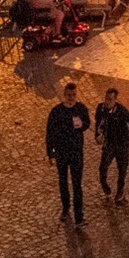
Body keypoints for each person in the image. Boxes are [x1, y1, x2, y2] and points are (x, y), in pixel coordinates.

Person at [46, 81, 91, 225]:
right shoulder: (56, 112)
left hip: (76, 151)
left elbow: (87, 123)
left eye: (73, 95)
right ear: (64, 95)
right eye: (69, 95)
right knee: (63, 181)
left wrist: (82, 124)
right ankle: (66, 207)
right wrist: (51, 153)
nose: (71, 97)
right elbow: (50, 133)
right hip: (62, 152)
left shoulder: (81, 108)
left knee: (77, 184)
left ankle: (79, 216)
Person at [94, 87, 129, 203]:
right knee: (103, 168)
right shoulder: (100, 109)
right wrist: (97, 135)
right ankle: (106, 188)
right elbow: (98, 123)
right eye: (106, 99)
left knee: (122, 169)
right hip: (109, 144)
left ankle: (120, 192)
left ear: (115, 100)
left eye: (110, 100)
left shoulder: (121, 111)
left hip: (122, 144)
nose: (107, 102)